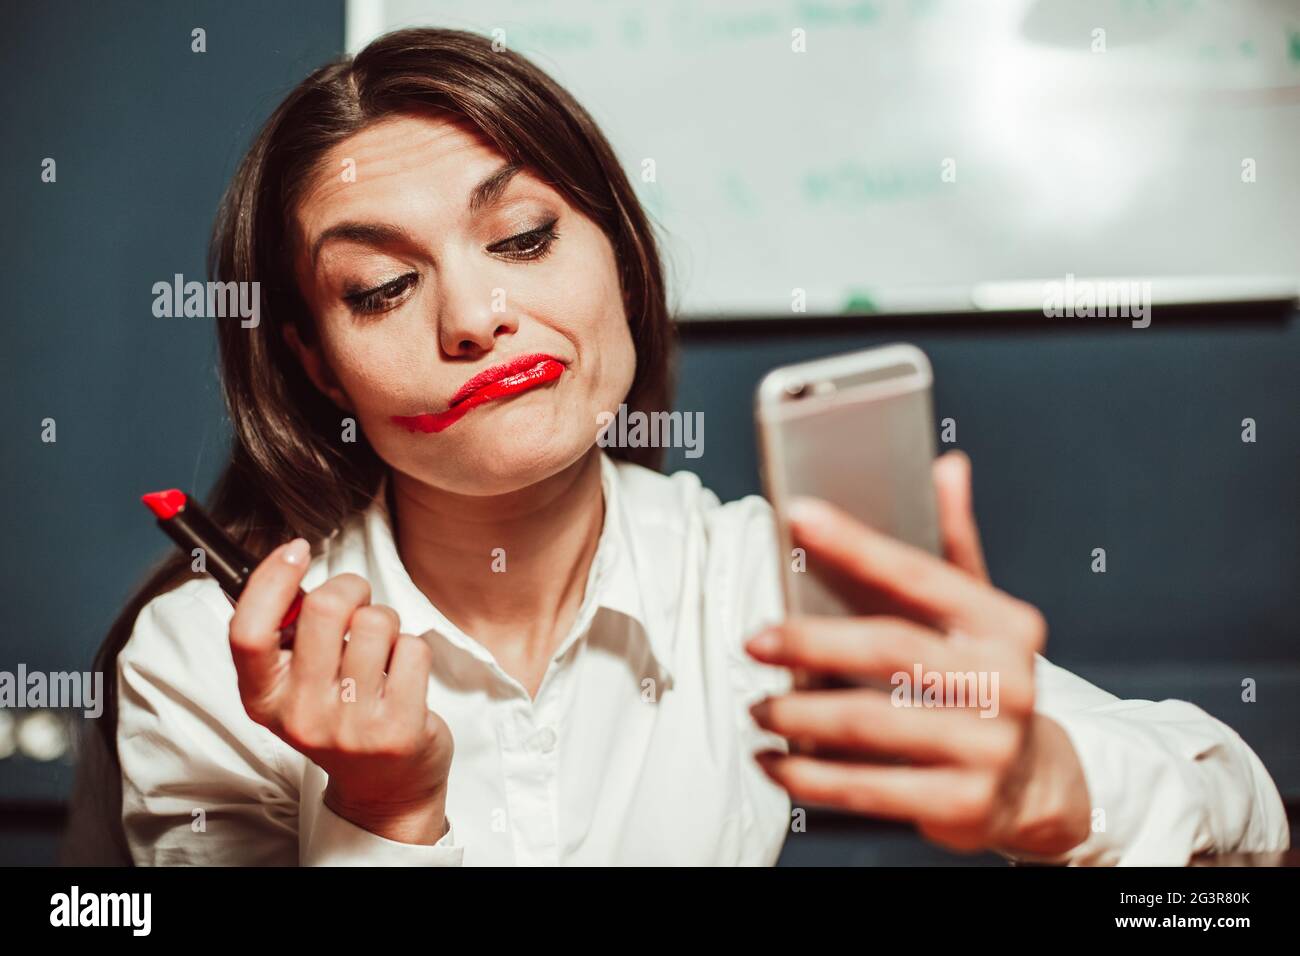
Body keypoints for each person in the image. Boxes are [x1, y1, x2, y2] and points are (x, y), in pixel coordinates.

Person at [70, 27, 1287, 867]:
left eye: (526, 236)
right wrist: (382, 815)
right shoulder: (202, 661)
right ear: (311, 360)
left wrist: (1049, 788)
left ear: (619, 255)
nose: (474, 318)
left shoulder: (780, 591)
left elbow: (1243, 821)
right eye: (384, 286)